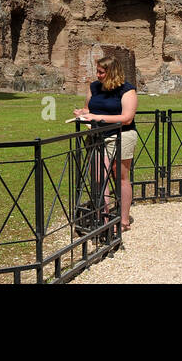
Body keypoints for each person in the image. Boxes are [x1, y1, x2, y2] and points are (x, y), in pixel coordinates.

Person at [74, 51, 137, 230]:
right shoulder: (94, 87)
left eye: (102, 72)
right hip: (97, 136)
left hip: (121, 135)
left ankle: (124, 221)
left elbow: (127, 118)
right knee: (100, 178)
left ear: (113, 72)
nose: (98, 75)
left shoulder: (127, 90)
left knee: (121, 178)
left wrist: (97, 117)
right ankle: (105, 220)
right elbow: (88, 108)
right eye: (98, 71)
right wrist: (82, 113)